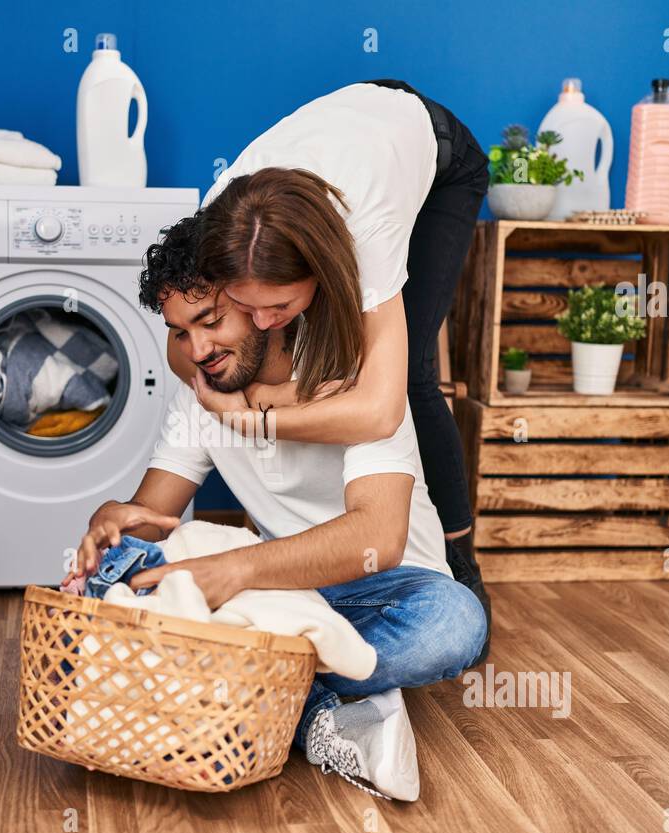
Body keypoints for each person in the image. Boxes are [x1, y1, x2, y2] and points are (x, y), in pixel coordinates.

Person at [63, 214, 487, 800]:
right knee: (110, 573)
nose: (198, 351)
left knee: (454, 624)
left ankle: (207, 687)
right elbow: (151, 517)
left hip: (383, 587)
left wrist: (232, 570)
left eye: (210, 322)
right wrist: (111, 521)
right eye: (181, 333)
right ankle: (318, 703)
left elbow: (378, 538)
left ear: (259, 302)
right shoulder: (204, 391)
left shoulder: (356, 381)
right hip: (276, 600)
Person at [180, 79, 493, 646]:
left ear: (322, 275)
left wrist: (262, 415)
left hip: (437, 149)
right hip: (347, 131)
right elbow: (185, 337)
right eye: (246, 306)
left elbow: (378, 411)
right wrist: (240, 388)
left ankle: (460, 557)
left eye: (280, 305)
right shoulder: (215, 227)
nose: (265, 322)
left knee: (410, 369)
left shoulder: (366, 235)